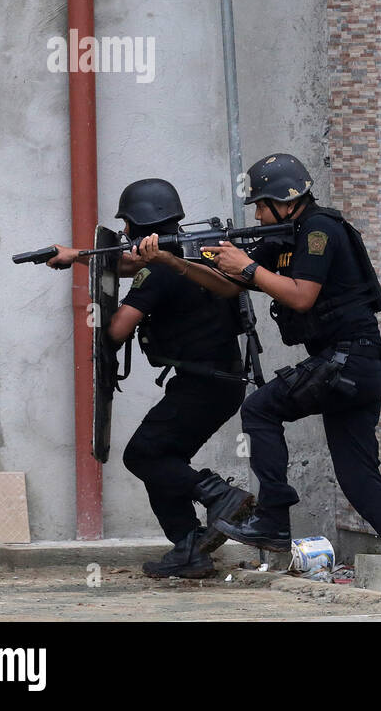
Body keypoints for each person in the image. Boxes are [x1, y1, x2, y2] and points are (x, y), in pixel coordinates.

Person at [142, 154, 381, 556]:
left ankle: (274, 519)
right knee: (357, 478)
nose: (260, 216)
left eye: (263, 205)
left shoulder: (319, 230)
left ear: (287, 199)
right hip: (349, 366)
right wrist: (172, 261)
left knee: (261, 410)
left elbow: (301, 296)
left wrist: (246, 266)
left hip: (349, 360)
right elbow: (228, 286)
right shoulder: (287, 234)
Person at [47, 178, 254, 579]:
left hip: (202, 385)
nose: (123, 233)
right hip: (221, 381)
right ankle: (189, 549)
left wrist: (102, 307)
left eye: (126, 225)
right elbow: (125, 263)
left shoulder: (159, 272)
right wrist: (76, 256)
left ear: (137, 226)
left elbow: (118, 330)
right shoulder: (197, 254)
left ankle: (219, 496)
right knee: (161, 458)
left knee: (143, 455)